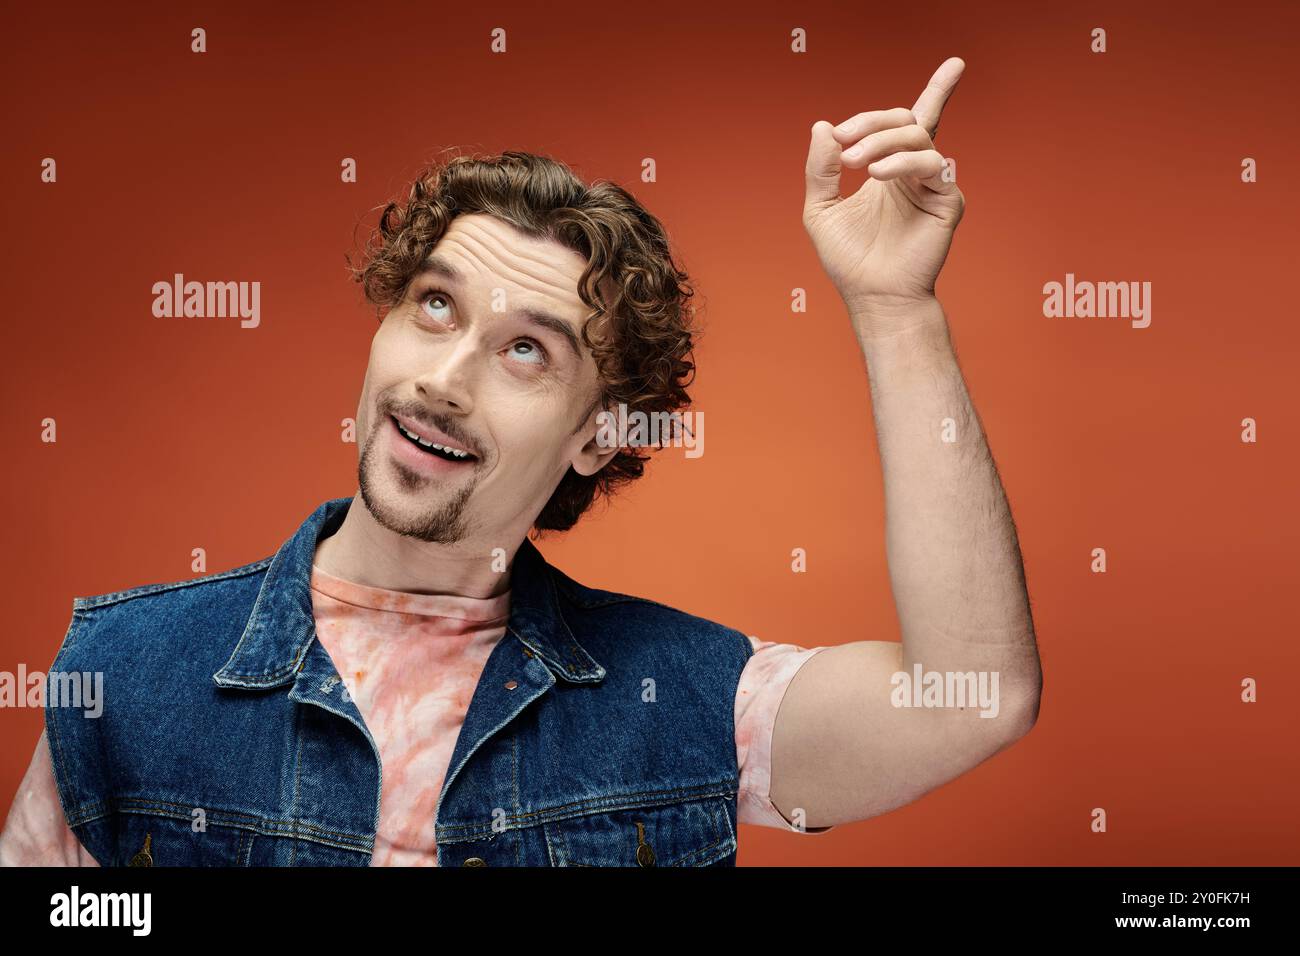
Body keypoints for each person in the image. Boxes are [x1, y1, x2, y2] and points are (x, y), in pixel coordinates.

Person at [1, 56, 1041, 867]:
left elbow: (971, 698)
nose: (444, 378)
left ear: (600, 432)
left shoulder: (685, 701)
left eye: (526, 351)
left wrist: (895, 309)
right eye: (435, 306)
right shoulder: (128, 675)